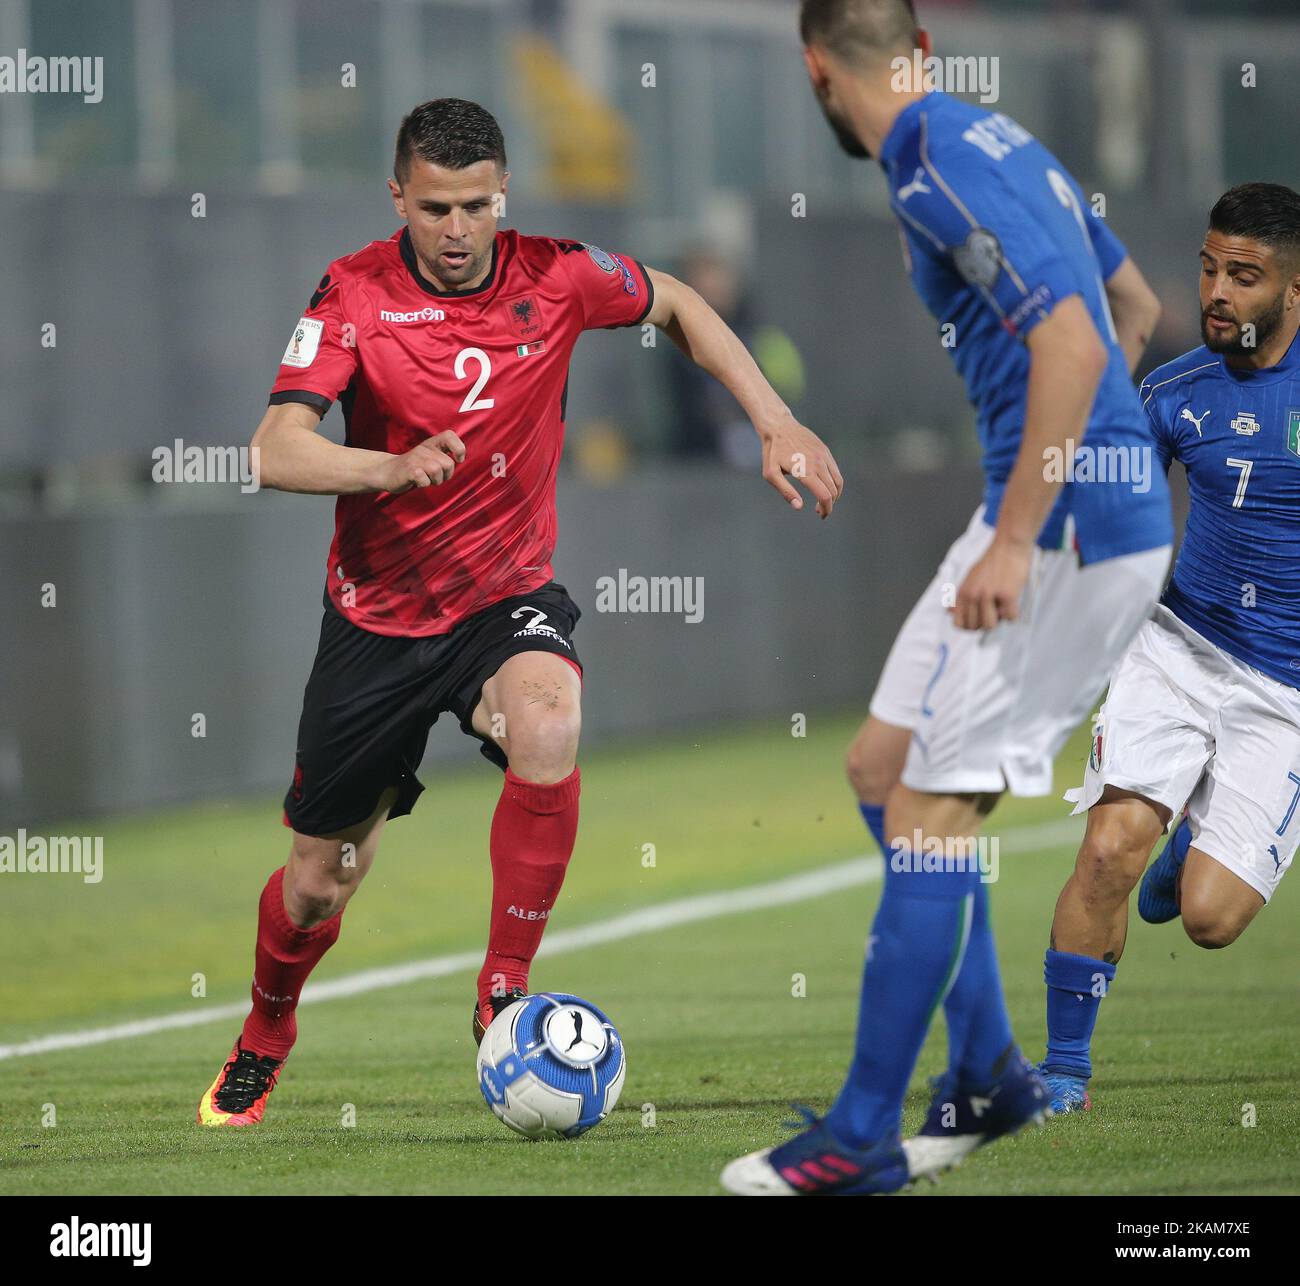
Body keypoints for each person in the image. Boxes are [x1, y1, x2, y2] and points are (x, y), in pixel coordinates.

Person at [198, 97, 842, 1127]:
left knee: (548, 715)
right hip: (377, 622)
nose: (457, 231)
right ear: (398, 197)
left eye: (477, 206)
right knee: (319, 883)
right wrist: (390, 464)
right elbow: (273, 449)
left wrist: (774, 417)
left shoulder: (558, 274)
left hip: (504, 601)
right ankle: (266, 1030)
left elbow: (674, 299)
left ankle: (503, 985)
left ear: (506, 197)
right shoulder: (353, 293)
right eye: (436, 207)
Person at [723, 0, 1172, 1195]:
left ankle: (861, 1134)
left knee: (930, 817)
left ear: (816, 71)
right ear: (918, 52)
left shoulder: (928, 172)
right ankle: (987, 1073)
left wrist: (1025, 532)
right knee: (881, 769)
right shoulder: (1002, 138)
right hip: (1057, 513)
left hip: (1067, 538)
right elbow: (1137, 309)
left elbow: (1075, 347)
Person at [1040, 182, 1300, 1115]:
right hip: (1180, 645)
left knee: (1209, 919)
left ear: (1294, 287)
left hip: (1287, 693)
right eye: (1208, 268)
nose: (1218, 291)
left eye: (1245, 275)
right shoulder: (1178, 391)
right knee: (1107, 848)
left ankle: (1191, 837)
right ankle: (1063, 1071)